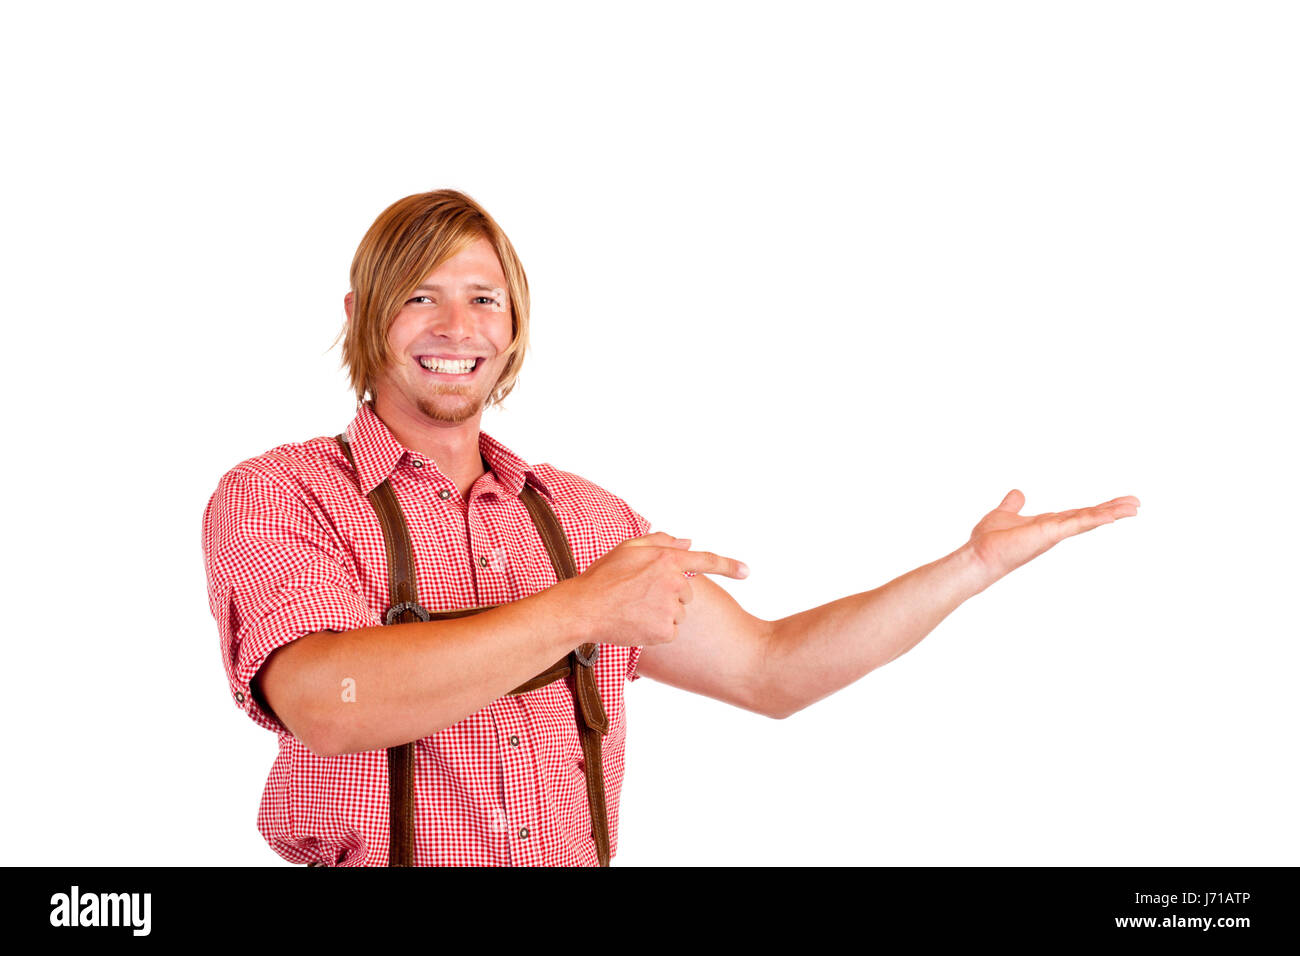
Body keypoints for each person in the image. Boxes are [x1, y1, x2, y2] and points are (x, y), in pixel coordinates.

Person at [201, 188, 1140, 867]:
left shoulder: (582, 520)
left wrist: (967, 569)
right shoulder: (282, 494)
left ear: (516, 326)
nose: (457, 325)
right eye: (420, 295)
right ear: (366, 317)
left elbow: (772, 671)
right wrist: (579, 613)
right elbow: (328, 703)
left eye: (483, 298)